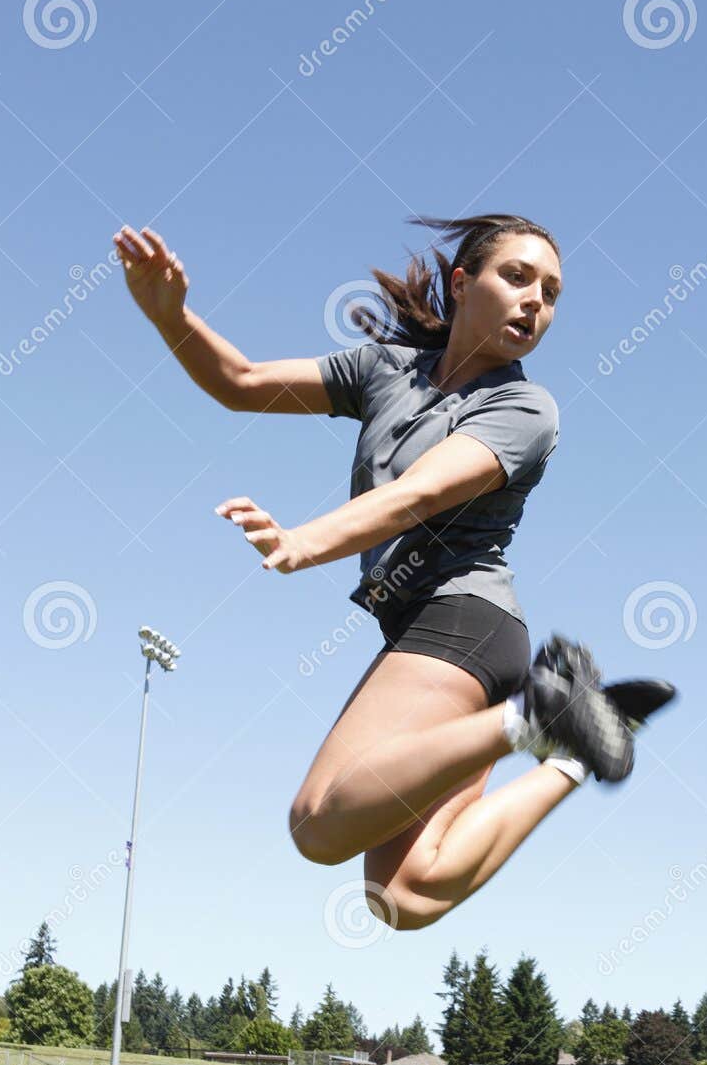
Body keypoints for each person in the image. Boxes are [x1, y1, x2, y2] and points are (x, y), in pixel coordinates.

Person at [113, 212, 675, 930]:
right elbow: (242, 381)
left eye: (552, 292)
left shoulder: (524, 407)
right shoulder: (383, 371)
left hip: (460, 622)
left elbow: (415, 496)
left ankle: (538, 714)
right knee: (404, 897)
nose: (537, 300)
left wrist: (302, 543)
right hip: (462, 640)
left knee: (318, 825)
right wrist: (171, 316)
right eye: (517, 277)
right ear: (462, 283)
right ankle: (569, 749)